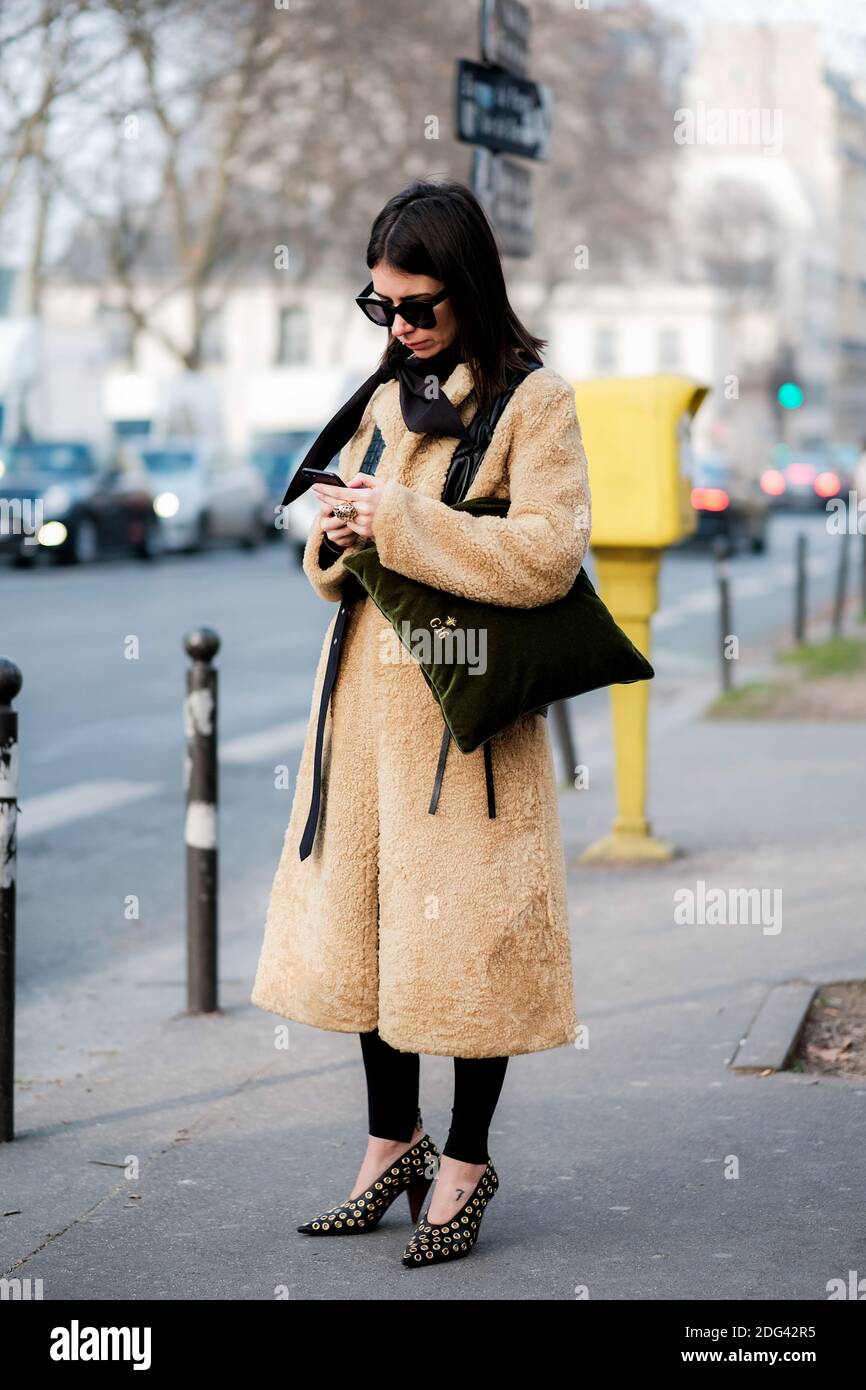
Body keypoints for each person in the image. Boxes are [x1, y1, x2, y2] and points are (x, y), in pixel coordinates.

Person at [251, 177, 592, 1268]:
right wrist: (337, 533)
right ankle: (388, 1143)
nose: (396, 327)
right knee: (371, 924)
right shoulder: (386, 393)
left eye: (416, 307)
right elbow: (339, 563)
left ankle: (465, 1159)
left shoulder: (534, 401)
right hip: (361, 711)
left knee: (468, 941)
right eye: (378, 307)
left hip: (464, 716)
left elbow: (546, 555)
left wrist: (394, 517)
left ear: (470, 292)